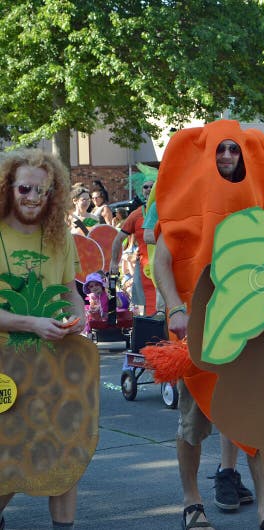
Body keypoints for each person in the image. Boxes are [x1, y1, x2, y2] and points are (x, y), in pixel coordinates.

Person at [152, 121, 264, 530]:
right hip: (193, 329)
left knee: (254, 418)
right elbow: (162, 260)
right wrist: (176, 307)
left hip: (246, 328)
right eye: (220, 150)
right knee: (193, 424)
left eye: (234, 150)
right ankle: (192, 502)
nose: (227, 157)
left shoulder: (257, 210)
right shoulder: (185, 202)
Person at [0, 148, 88, 529]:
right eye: (25, 189)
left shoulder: (60, 238)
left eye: (43, 191)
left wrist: (79, 315)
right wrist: (32, 324)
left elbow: (70, 291)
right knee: (11, 459)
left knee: (64, 450)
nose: (33, 198)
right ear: (8, 188)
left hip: (54, 363)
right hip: (5, 369)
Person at [110, 174, 156, 315]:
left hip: (165, 264)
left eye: (152, 186)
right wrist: (114, 262)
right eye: (145, 187)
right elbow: (118, 240)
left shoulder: (167, 209)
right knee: (141, 307)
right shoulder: (136, 214)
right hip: (144, 267)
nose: (149, 189)